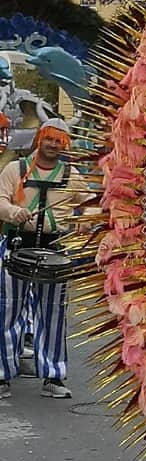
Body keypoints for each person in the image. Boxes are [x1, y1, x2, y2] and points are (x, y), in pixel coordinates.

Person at [0, 117, 87, 398]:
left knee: (53, 313)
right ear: (40, 138)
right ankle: (2, 374)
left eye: (59, 141)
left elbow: (87, 206)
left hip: (55, 251)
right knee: (8, 310)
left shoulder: (72, 175)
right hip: (19, 246)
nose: (53, 144)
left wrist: (83, 221)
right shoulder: (16, 169)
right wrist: (14, 212)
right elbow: (0, 199)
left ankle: (53, 376)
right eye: (49, 138)